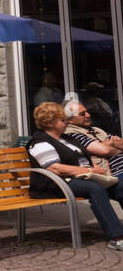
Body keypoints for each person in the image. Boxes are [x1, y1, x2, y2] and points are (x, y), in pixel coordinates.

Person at [27, 102, 123, 251]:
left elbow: (84, 158)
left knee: (119, 186)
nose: (66, 122)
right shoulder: (40, 142)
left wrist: (92, 168)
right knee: (94, 189)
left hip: (80, 177)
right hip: (55, 183)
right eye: (62, 120)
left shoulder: (67, 138)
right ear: (50, 122)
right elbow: (55, 168)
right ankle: (116, 237)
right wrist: (88, 171)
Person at [64, 100, 123, 178]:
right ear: (70, 120)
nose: (88, 115)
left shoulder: (95, 130)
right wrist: (113, 142)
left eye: (87, 112)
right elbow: (105, 151)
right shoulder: (71, 134)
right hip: (115, 173)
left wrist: (109, 143)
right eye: (82, 114)